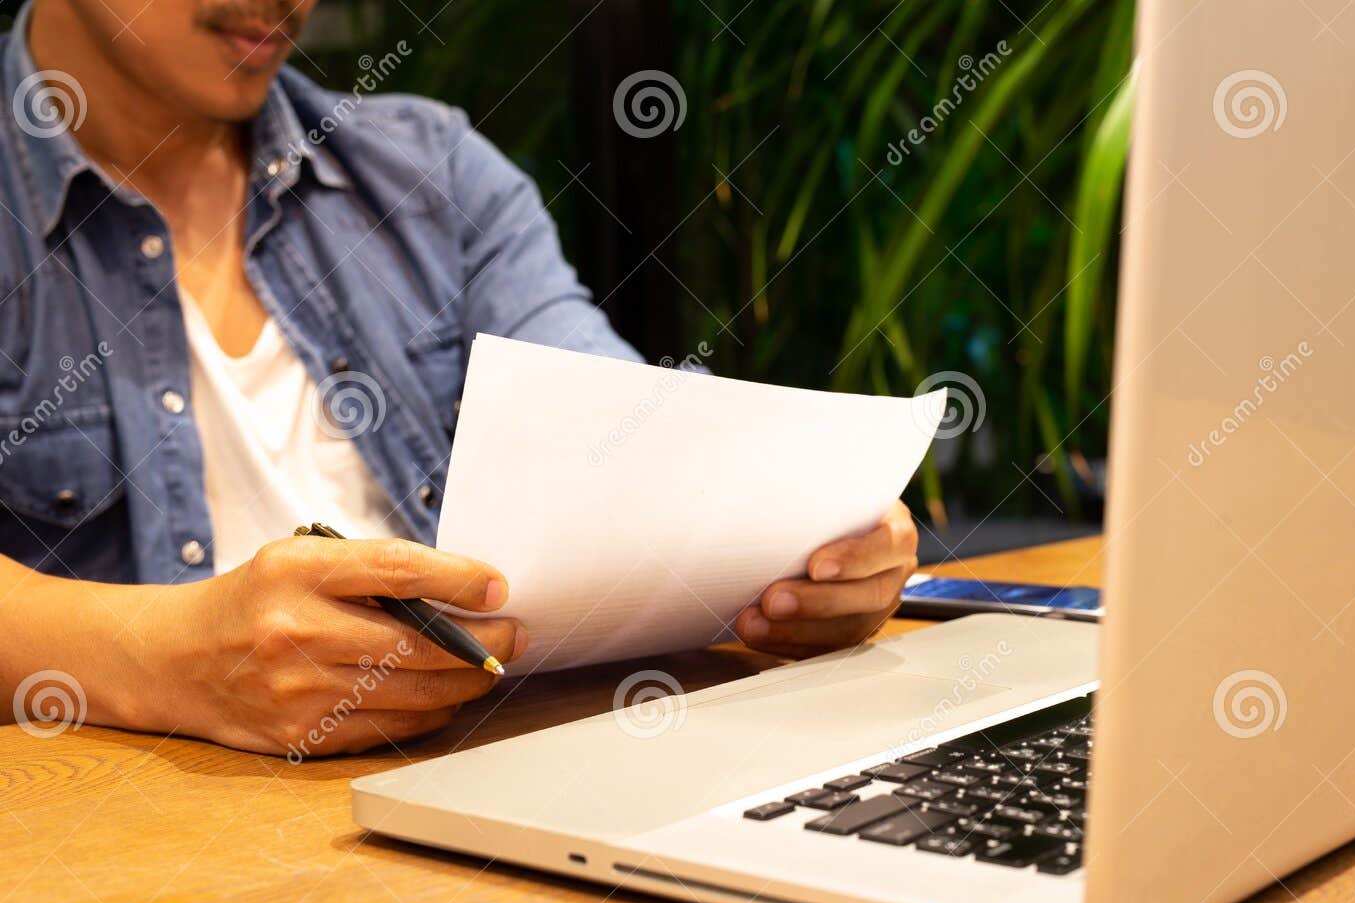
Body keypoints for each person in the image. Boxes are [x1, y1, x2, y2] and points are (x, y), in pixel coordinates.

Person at [0, 0, 918, 755]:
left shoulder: (431, 175)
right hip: (143, 884)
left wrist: (811, 535)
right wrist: (171, 657)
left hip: (482, 795)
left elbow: (626, 427)